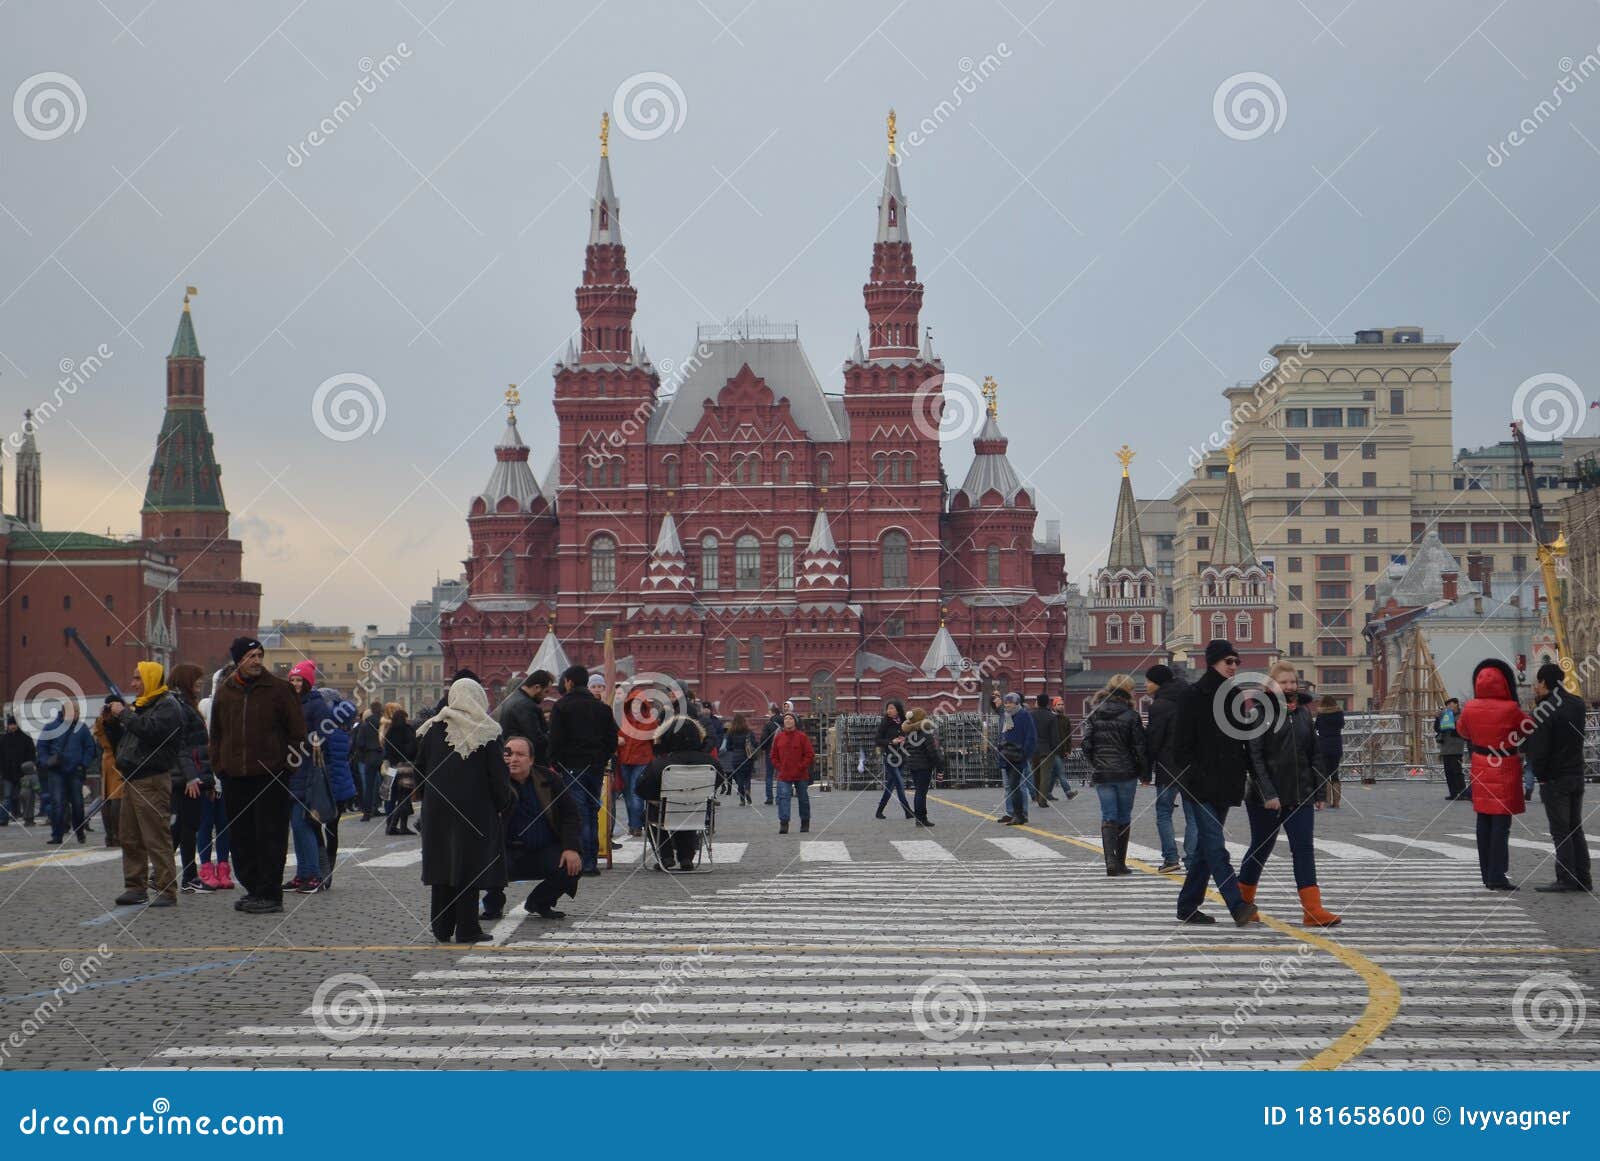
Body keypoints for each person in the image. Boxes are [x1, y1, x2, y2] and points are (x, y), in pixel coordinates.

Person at [1237, 662, 1342, 926]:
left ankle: (1313, 910)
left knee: (1304, 849)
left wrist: (1319, 791)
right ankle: (1242, 902)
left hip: (1300, 794)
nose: (1289, 687)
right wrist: (1267, 793)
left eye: (1293, 682)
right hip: (1267, 798)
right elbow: (1255, 757)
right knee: (1261, 848)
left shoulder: (1304, 713)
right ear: (1271, 685)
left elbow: (1314, 753)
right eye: (1283, 682)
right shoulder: (1259, 714)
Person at [209, 636, 307, 915]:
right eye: (250, 656)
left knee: (270, 836)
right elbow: (216, 733)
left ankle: (270, 894)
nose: (256, 661)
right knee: (241, 838)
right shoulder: (226, 692)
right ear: (238, 660)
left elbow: (298, 734)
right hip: (235, 777)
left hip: (270, 778)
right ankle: (253, 889)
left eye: (259, 656)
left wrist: (286, 768)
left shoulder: (279, 690)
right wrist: (220, 766)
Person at [416, 677, 514, 943]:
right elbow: (497, 776)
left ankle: (441, 926)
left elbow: (419, 770)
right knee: (468, 867)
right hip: (475, 810)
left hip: (437, 809)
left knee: (442, 864)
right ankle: (467, 928)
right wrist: (504, 803)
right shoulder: (487, 729)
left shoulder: (432, 728)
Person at [1172, 640, 1259, 926]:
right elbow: (1180, 744)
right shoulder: (1193, 695)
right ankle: (1237, 905)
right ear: (1213, 662)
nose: (1234, 667)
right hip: (1200, 785)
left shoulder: (1234, 695)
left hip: (1226, 784)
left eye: (1236, 662)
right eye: (1229, 662)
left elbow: (1243, 740)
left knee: (1203, 851)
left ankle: (1187, 906)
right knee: (1215, 845)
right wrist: (1191, 775)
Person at [109, 661, 184, 908]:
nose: (133, 684)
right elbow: (126, 740)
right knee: (129, 836)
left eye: (137, 679)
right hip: (132, 778)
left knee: (156, 837)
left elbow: (151, 732)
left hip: (151, 779)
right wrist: (112, 721)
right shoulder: (142, 706)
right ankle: (135, 886)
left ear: (151, 679)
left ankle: (166, 889)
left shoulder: (167, 706)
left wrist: (124, 714)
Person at [483, 735, 581, 919]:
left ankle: (540, 902)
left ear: (532, 759)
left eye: (520, 754)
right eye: (508, 755)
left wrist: (571, 848)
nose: (513, 759)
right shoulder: (492, 782)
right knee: (488, 858)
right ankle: (493, 904)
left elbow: (570, 815)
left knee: (572, 863)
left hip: (542, 849)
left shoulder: (549, 779)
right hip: (505, 851)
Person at [1454, 657, 1528, 891]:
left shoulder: (1470, 708)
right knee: (1501, 824)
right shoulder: (1511, 709)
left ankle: (1487, 873)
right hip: (1504, 764)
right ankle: (1498, 874)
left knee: (1483, 820)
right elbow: (1528, 728)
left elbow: (1462, 731)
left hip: (1479, 762)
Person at [1521, 663, 1592, 893]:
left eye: (1537, 683)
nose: (1535, 687)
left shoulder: (1544, 710)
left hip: (1555, 777)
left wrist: (1539, 775)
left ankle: (1566, 878)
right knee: (1575, 827)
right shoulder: (1578, 704)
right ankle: (1583, 877)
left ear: (1543, 683)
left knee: (1561, 830)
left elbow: (1539, 749)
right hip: (1576, 773)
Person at [548, 665, 619, 875]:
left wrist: (556, 763)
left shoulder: (561, 706)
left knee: (579, 813)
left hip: (571, 768)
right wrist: (601, 758)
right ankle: (591, 859)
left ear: (569, 682)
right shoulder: (602, 709)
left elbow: (555, 739)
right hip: (595, 768)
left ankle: (585, 862)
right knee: (592, 811)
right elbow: (612, 741)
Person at [1082, 675, 1147, 877]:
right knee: (1124, 817)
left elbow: (1086, 744)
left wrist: (1096, 763)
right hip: (1126, 774)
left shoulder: (1094, 713)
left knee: (1108, 816)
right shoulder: (1132, 715)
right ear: (1128, 692)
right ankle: (1120, 862)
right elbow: (1140, 747)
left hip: (1103, 773)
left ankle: (1110, 861)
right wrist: (1144, 772)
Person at [637, 716, 716, 870]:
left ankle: (666, 856)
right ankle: (686, 857)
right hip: (696, 812)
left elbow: (641, 789)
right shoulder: (709, 762)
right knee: (687, 810)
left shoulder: (660, 764)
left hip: (666, 810)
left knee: (654, 813)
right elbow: (718, 782)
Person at [168, 664, 217, 894]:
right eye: (197, 680)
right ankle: (188, 876)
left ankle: (162, 874)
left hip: (191, 774)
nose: (201, 683)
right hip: (188, 777)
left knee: (182, 828)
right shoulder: (181, 706)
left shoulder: (185, 704)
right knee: (187, 828)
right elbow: (181, 746)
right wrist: (191, 777)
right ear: (186, 681)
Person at [1145, 664, 1195, 874]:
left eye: (1148, 681)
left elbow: (1153, 741)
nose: (1146, 685)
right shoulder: (1191, 700)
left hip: (1167, 767)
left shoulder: (1159, 706)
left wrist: (1146, 770)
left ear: (1158, 683)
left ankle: (1171, 858)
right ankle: (1192, 860)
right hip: (1192, 767)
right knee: (1193, 816)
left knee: (1164, 813)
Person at [36, 700, 98, 845]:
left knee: (78, 804)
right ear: (65, 711)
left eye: (78, 712)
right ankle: (57, 835)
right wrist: (47, 761)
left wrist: (83, 764)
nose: (76, 714)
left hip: (75, 771)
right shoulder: (51, 727)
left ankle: (80, 832)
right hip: (56, 772)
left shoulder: (81, 729)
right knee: (57, 803)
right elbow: (42, 747)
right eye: (74, 711)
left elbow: (90, 748)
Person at [195, 691, 233, 890]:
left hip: (225, 777)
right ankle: (206, 868)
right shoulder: (203, 706)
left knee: (224, 825)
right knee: (205, 825)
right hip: (206, 780)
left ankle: (224, 868)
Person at [616, 687, 657, 834]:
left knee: (634, 792)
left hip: (641, 761)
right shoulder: (622, 719)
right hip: (625, 760)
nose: (635, 707)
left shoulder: (650, 721)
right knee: (627, 793)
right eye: (633, 703)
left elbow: (655, 741)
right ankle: (634, 824)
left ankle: (636, 825)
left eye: (638, 703)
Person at [995, 691, 1037, 826]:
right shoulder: (1007, 716)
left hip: (1018, 757)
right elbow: (1003, 735)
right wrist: (1000, 748)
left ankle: (1020, 815)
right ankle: (1014, 814)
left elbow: (1031, 737)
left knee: (1015, 786)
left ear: (1017, 703)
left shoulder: (1024, 715)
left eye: (1010, 702)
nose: (1007, 705)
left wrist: (1024, 754)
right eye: (1006, 702)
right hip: (1006, 756)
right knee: (1011, 786)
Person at [900, 708, 946, 828]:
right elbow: (932, 753)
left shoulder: (909, 734)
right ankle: (921, 819)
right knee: (921, 793)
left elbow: (906, 750)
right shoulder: (926, 734)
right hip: (924, 767)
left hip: (913, 766)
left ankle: (920, 818)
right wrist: (939, 766)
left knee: (918, 792)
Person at [771, 711, 815, 834]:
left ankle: (805, 822)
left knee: (803, 799)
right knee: (783, 798)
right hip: (784, 774)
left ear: (795, 722)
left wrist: (801, 766)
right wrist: (779, 767)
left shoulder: (802, 737)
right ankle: (784, 823)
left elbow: (809, 754)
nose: (788, 721)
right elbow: (773, 755)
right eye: (786, 719)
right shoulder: (779, 737)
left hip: (800, 774)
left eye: (790, 719)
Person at [873, 700, 915, 820]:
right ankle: (908, 811)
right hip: (890, 758)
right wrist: (892, 741)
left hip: (902, 757)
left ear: (898, 710)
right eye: (888, 708)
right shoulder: (885, 723)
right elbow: (878, 740)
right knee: (900, 784)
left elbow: (911, 737)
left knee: (890, 786)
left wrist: (905, 739)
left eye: (891, 708)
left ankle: (879, 811)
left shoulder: (904, 722)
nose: (888, 711)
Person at [90, 702, 124, 847]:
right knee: (116, 797)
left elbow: (97, 735)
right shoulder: (118, 722)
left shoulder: (101, 722)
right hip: (118, 759)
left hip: (106, 760)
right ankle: (116, 836)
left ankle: (110, 836)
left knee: (107, 798)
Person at [382, 704, 419, 835]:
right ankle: (395, 826)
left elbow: (386, 749)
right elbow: (412, 748)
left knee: (390, 797)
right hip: (405, 767)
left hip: (391, 767)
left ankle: (392, 824)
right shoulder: (408, 730)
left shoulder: (390, 731)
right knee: (404, 797)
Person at [352, 700, 386, 820]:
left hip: (370, 756)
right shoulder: (384, 723)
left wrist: (364, 753)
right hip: (383, 755)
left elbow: (359, 742)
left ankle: (367, 813)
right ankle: (388, 808)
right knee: (386, 783)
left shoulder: (365, 725)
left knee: (369, 786)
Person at [0, 714, 36, 826]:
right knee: (7, 797)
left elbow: (32, 755)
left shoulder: (26, 739)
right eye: (11, 724)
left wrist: (29, 768)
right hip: (8, 774)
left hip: (23, 774)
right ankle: (3, 819)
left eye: (14, 724)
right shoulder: (3, 739)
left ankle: (28, 819)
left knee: (25, 796)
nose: (12, 726)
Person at [1313, 695, 1345, 808]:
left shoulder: (1321, 715)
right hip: (1336, 745)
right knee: (1335, 774)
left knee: (1324, 774)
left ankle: (1326, 800)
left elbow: (1315, 727)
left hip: (1323, 745)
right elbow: (1342, 725)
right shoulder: (1339, 713)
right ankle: (1336, 802)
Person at [1435, 697, 1467, 801]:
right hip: (1445, 747)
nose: (1449, 706)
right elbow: (1437, 729)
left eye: (1451, 704)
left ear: (1456, 704)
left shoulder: (1461, 716)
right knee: (1448, 772)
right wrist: (1437, 718)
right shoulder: (1445, 716)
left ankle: (1461, 793)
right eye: (1447, 705)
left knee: (1457, 771)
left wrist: (1452, 723)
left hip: (1456, 747)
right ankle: (1453, 793)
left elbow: (1461, 730)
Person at [722, 713, 757, 806]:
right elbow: (755, 744)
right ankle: (747, 790)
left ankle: (742, 800)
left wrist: (734, 749)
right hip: (747, 757)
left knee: (739, 778)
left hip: (736, 758)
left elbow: (728, 747)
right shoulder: (749, 732)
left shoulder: (730, 732)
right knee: (747, 777)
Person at [760, 702, 786, 805]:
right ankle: (780, 797)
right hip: (783, 753)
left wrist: (763, 748)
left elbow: (763, 739)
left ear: (772, 713)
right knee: (780, 775)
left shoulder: (769, 724)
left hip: (770, 753)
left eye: (769, 712)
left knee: (769, 776)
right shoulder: (785, 723)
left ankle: (769, 798)